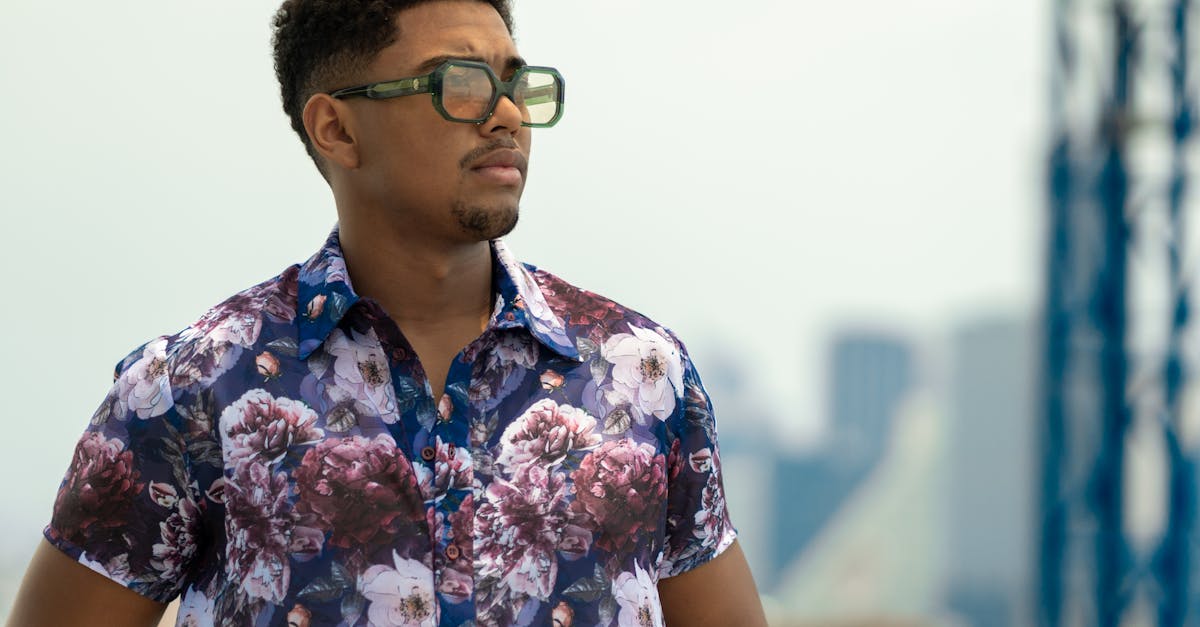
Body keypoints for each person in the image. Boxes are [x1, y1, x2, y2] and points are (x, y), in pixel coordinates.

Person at [6, 1, 766, 625]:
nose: (505, 114)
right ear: (335, 128)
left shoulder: (640, 371)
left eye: (513, 82)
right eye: (457, 83)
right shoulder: (194, 385)